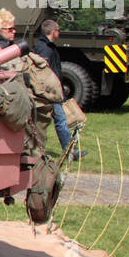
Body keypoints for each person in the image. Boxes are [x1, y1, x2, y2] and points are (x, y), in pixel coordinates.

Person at [34, 19, 86, 160]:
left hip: (50, 91)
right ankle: (70, 152)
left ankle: (69, 151)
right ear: (52, 32)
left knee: (56, 121)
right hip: (49, 92)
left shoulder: (47, 47)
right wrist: (53, 90)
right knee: (61, 121)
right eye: (58, 30)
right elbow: (44, 72)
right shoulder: (45, 49)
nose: (59, 33)